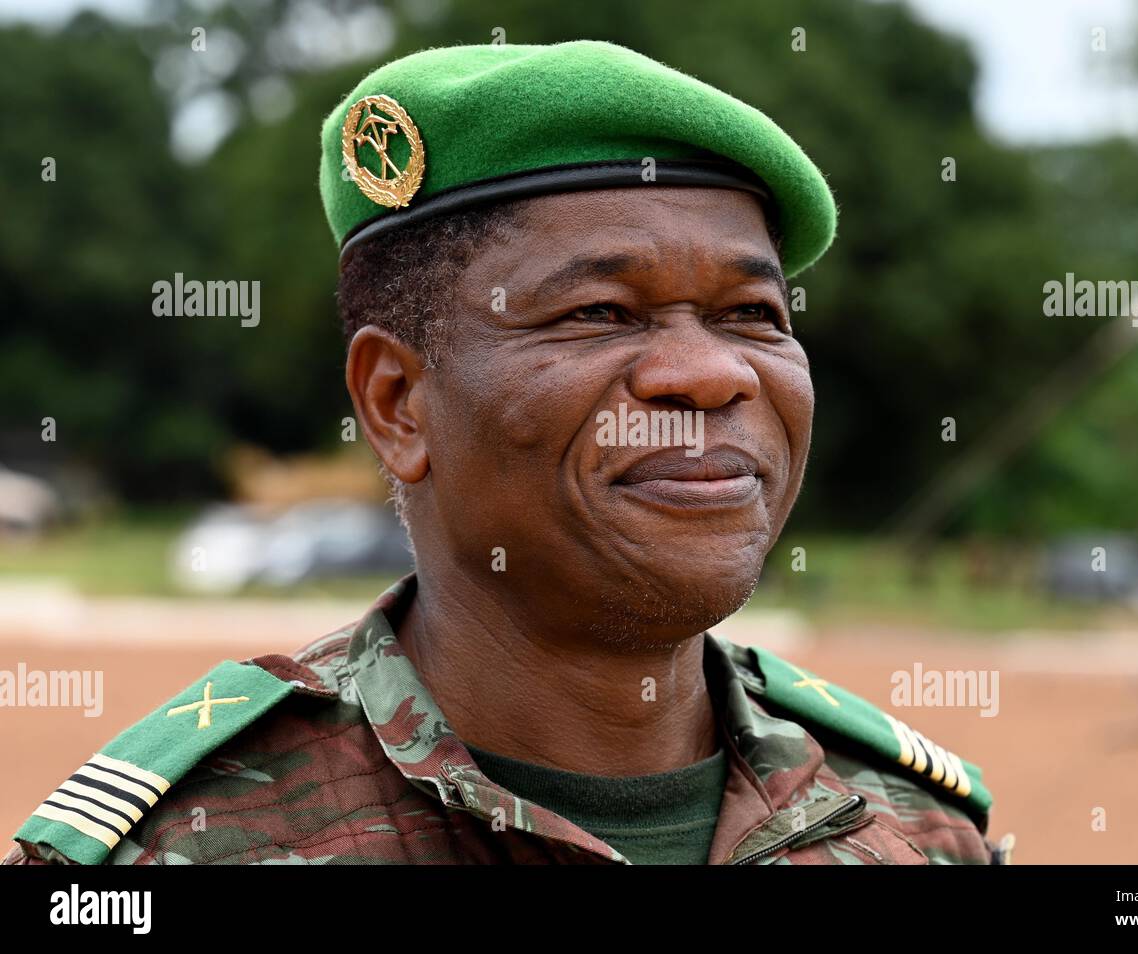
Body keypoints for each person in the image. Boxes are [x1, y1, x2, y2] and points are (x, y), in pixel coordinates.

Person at [6, 40, 1003, 865]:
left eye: (751, 313)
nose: (709, 376)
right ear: (397, 404)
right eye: (600, 311)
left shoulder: (916, 830)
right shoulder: (173, 853)